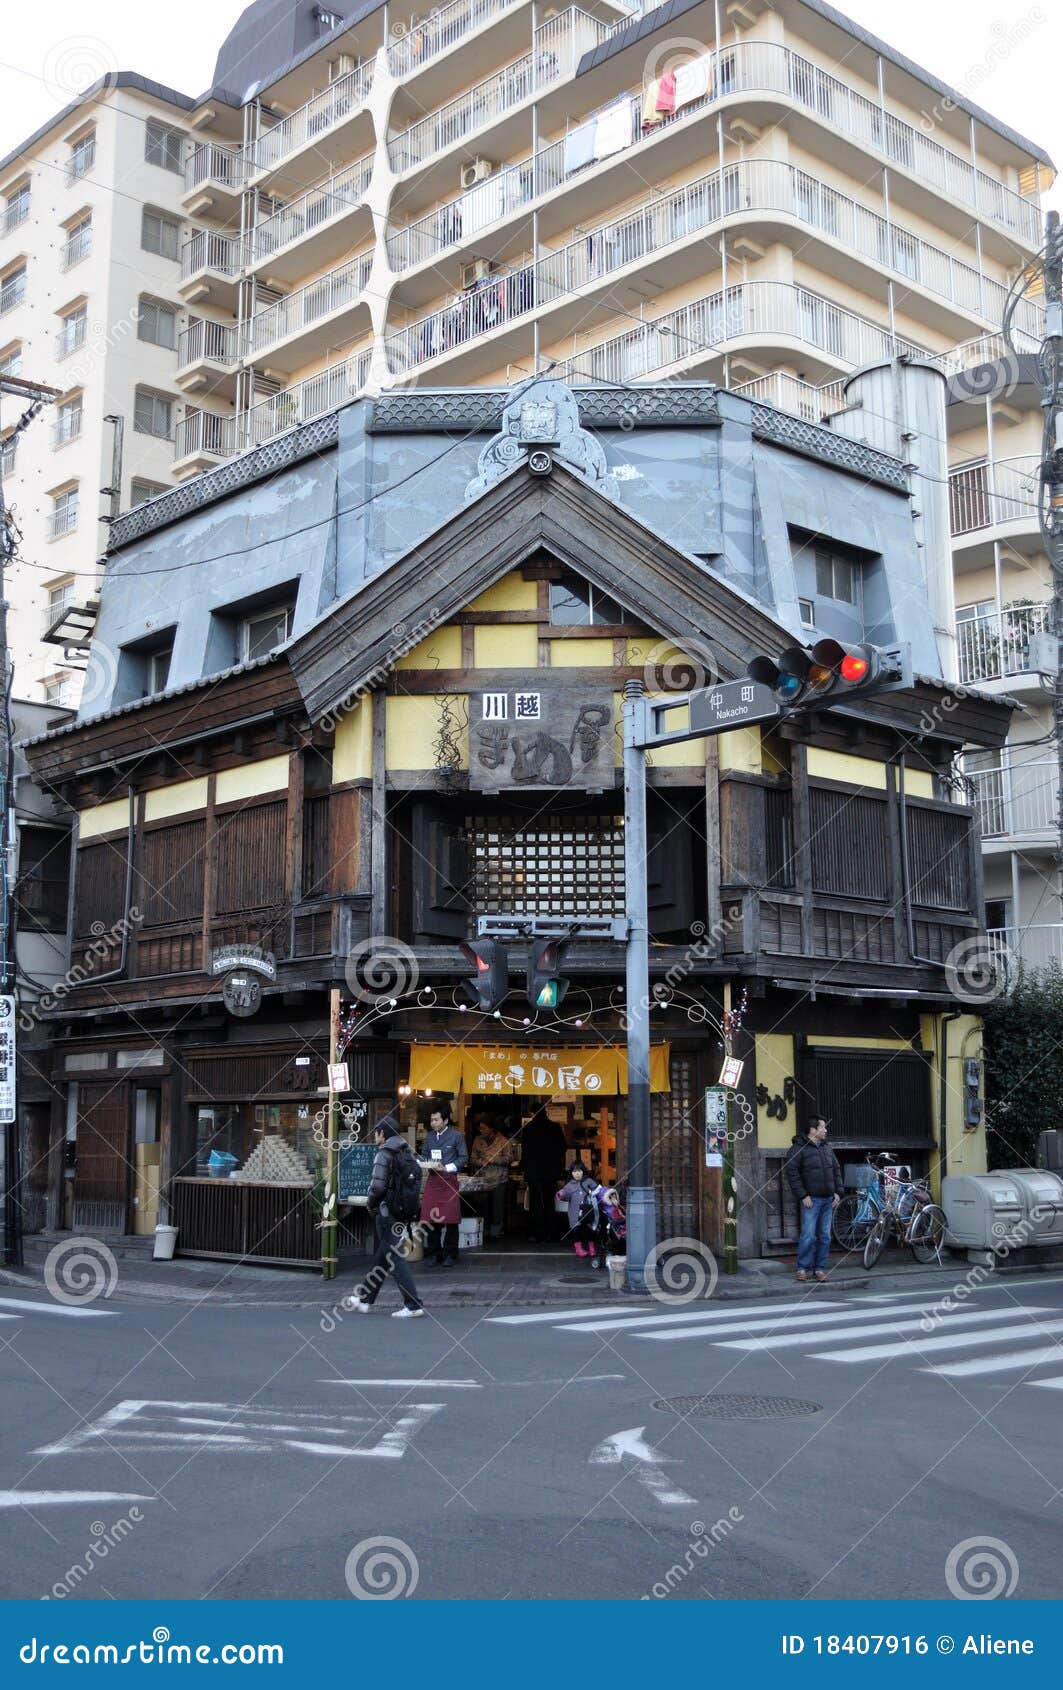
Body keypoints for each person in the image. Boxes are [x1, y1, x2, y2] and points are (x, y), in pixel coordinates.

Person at [344, 1118, 424, 1318]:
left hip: (386, 1212)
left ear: (382, 1133)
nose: (374, 1135)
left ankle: (413, 1305)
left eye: (376, 1131)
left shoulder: (385, 1153)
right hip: (400, 1212)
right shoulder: (406, 1152)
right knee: (383, 1257)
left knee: (394, 1256)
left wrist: (370, 1203)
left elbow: (378, 1186)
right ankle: (363, 1299)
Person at [786, 1115, 844, 1283]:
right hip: (811, 1200)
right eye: (822, 1127)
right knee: (808, 1236)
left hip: (828, 1199)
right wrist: (803, 1195)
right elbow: (792, 1173)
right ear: (812, 1130)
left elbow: (836, 1169)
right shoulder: (798, 1148)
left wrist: (838, 1192)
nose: (825, 1130)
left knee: (825, 1236)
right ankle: (802, 1268)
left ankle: (819, 1269)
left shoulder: (827, 1148)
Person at [419, 1103, 468, 1267]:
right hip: (433, 1181)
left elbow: (463, 1158)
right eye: (431, 1120)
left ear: (446, 1120)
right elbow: (424, 1155)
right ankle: (434, 1253)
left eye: (436, 1120)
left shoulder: (456, 1136)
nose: (432, 1123)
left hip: (449, 1180)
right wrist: (424, 1163)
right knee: (431, 1218)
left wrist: (446, 1167)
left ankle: (451, 1254)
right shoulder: (430, 1137)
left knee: (451, 1219)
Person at [518, 1107, 568, 1242]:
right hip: (551, 1171)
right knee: (549, 1201)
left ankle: (536, 1233)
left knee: (535, 1201)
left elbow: (525, 1150)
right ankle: (551, 1233)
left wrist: (523, 1169)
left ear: (533, 1113)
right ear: (546, 1113)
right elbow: (563, 1147)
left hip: (533, 1171)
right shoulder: (554, 1127)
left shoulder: (528, 1128)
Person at [470, 1115, 515, 1239]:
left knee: (497, 1207)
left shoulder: (503, 1141)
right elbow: (472, 1158)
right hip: (482, 1180)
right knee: (482, 1206)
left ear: (491, 1128)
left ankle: (496, 1232)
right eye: (480, 1128)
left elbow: (510, 1158)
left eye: (484, 1128)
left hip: (498, 1179)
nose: (481, 1131)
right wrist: (480, 1162)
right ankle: (483, 1231)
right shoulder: (477, 1140)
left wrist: (496, 1160)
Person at [558, 1161, 597, 1260]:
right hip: (574, 1213)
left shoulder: (588, 1181)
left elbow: (598, 1190)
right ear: (571, 1173)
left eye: (579, 1171)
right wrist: (560, 1194)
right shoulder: (569, 1185)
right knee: (577, 1231)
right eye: (574, 1171)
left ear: (583, 1171)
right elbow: (564, 1193)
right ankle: (579, 1249)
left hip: (587, 1211)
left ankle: (592, 1248)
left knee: (589, 1230)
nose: (577, 1173)